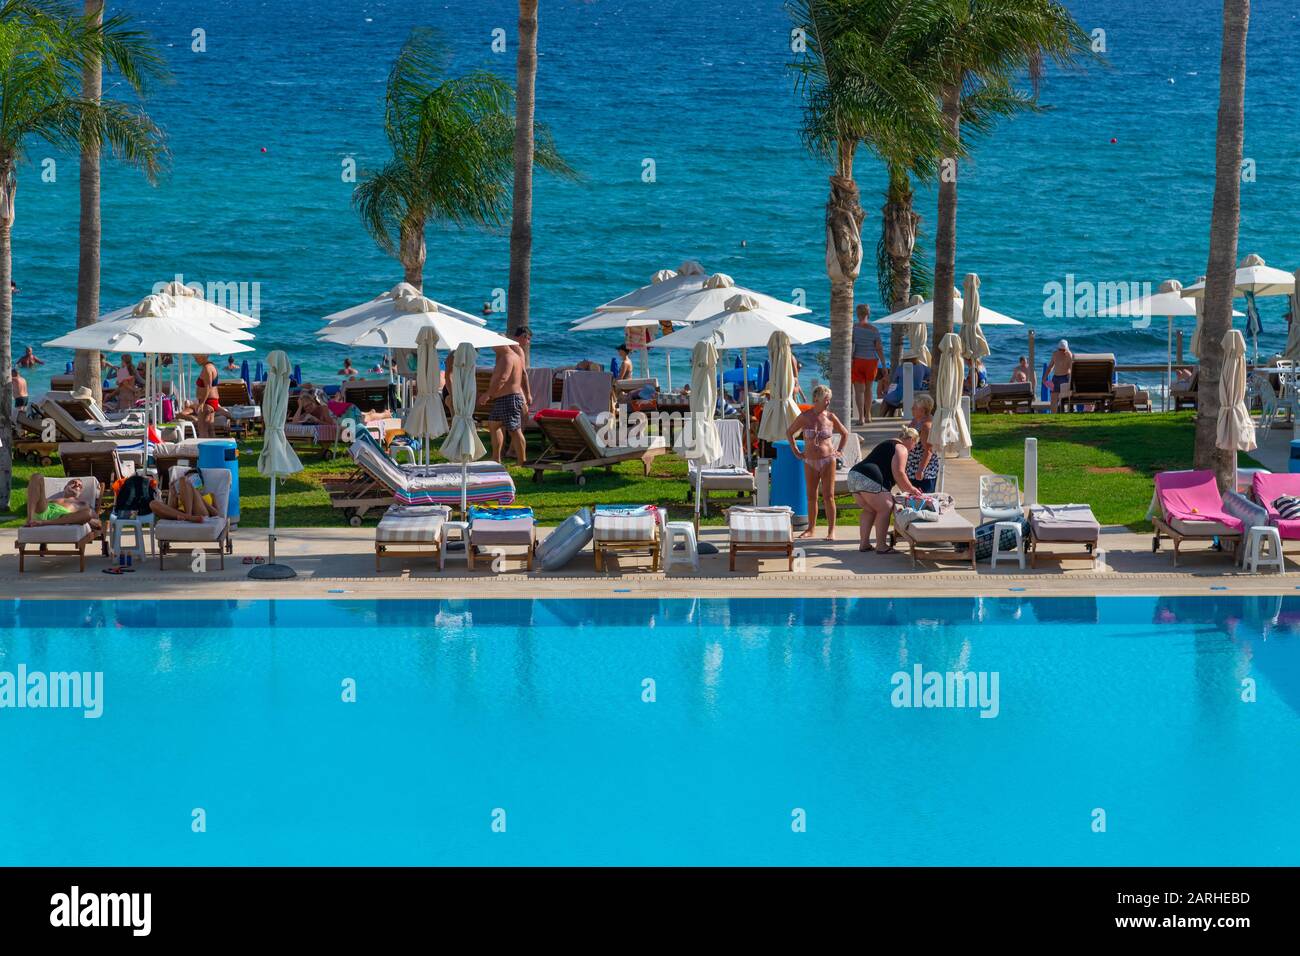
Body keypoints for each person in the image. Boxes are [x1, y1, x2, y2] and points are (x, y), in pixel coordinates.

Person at [786, 384, 849, 540]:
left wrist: (839, 450)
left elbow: (845, 433)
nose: (828, 402)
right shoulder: (805, 417)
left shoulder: (830, 417)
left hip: (828, 460)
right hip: (810, 461)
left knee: (829, 496)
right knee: (811, 496)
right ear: (816, 399)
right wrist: (795, 451)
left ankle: (831, 530)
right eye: (825, 399)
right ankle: (811, 529)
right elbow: (789, 432)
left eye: (829, 399)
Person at [847, 426, 923, 553]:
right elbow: (899, 473)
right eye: (915, 443)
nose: (914, 448)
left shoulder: (889, 442)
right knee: (886, 507)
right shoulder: (902, 448)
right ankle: (881, 546)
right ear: (910, 439)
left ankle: (864, 544)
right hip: (869, 478)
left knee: (869, 509)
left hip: (854, 475)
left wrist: (906, 489)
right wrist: (911, 489)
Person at [481, 340, 531, 466]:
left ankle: (522, 462)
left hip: (509, 399)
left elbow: (503, 378)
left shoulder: (508, 357)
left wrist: (488, 394)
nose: (492, 348)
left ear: (500, 343)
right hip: (503, 399)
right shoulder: (511, 356)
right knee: (493, 425)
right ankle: (496, 458)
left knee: (515, 430)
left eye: (493, 345)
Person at [24, 476, 100, 533]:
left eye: (80, 485)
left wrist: (86, 520)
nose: (77, 485)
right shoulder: (54, 499)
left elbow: (98, 523)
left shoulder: (84, 503)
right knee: (37, 477)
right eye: (73, 482)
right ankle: (30, 520)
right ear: (65, 487)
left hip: (64, 517)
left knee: (88, 513)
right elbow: (35, 502)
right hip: (45, 510)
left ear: (81, 491)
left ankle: (43, 523)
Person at [851, 304, 884, 424]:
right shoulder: (874, 330)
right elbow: (879, 348)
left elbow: (851, 346)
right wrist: (884, 365)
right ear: (868, 314)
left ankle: (861, 418)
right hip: (871, 362)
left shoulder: (853, 328)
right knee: (869, 389)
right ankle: (868, 414)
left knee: (859, 391)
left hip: (858, 360)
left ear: (857, 314)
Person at [149, 471, 219, 525]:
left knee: (182, 479)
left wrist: (201, 499)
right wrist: (173, 494)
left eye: (194, 479)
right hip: (182, 514)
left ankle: (188, 515)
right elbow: (171, 508)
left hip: (200, 512)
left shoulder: (210, 495)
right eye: (189, 480)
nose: (191, 482)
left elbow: (216, 514)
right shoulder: (180, 495)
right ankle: (189, 517)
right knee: (153, 503)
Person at [905, 395, 939, 493]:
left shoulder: (926, 426)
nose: (911, 409)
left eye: (915, 407)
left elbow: (928, 450)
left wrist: (920, 470)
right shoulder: (915, 421)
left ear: (923, 410)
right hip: (912, 467)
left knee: (922, 500)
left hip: (923, 471)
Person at [193, 353, 221, 438]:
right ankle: (214, 450)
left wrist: (202, 403)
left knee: (202, 429)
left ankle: (205, 450)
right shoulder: (212, 366)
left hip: (207, 401)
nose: (195, 359)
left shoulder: (207, 368)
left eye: (196, 357)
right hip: (212, 401)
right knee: (210, 429)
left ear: (203, 355)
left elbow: (208, 387)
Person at [1046, 339, 1073, 405]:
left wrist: (1044, 377)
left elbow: (1071, 368)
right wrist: (1045, 377)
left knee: (1061, 399)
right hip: (1057, 378)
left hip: (1064, 377)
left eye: (1063, 350)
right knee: (1054, 399)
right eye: (1060, 350)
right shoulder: (1056, 354)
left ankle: (1059, 413)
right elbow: (1050, 367)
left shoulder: (1068, 355)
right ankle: (1054, 414)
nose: (1061, 351)